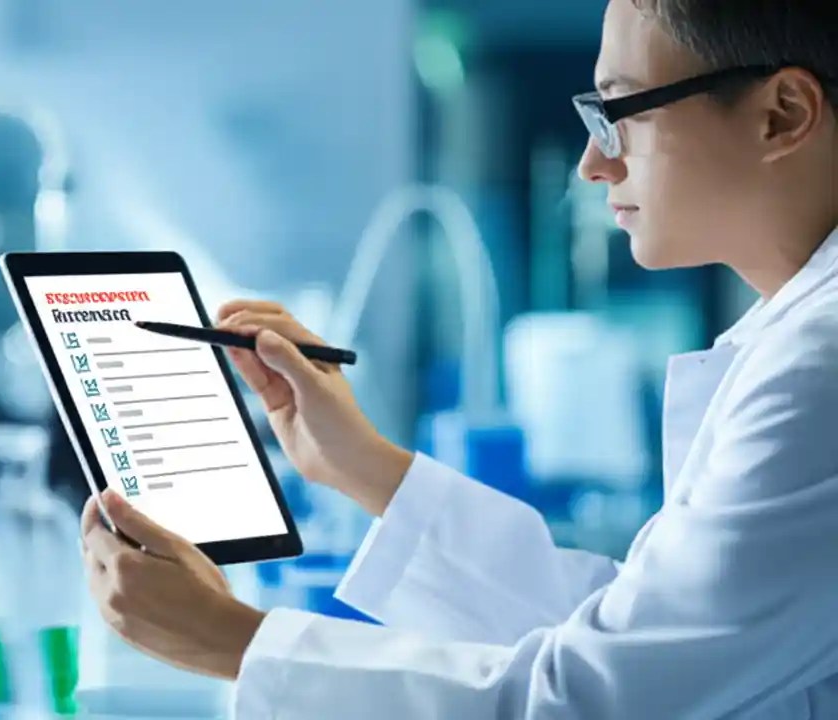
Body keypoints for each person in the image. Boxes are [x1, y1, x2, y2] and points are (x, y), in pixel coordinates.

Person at [79, 0, 838, 716]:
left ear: (783, 115)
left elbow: (598, 699)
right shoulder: (798, 338)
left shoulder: (819, 366)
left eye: (619, 112)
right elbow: (643, 634)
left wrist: (230, 640)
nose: (592, 165)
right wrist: (359, 464)